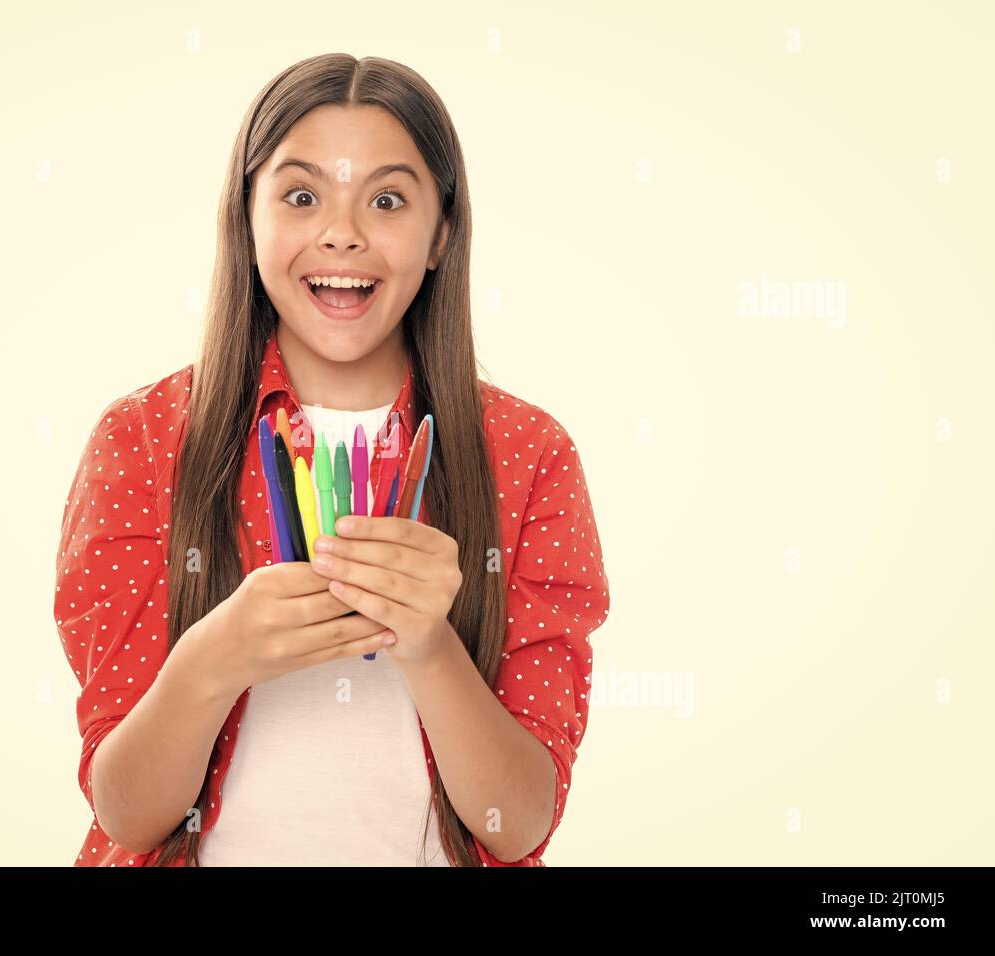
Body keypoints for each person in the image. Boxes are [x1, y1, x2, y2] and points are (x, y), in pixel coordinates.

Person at [53, 53, 611, 867]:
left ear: (441, 233)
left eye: (387, 199)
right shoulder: (144, 441)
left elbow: (518, 820)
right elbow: (130, 815)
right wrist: (215, 660)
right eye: (302, 195)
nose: (342, 232)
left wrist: (429, 645)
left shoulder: (528, 457)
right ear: (247, 219)